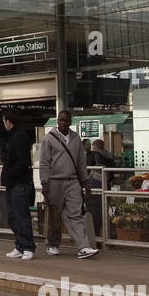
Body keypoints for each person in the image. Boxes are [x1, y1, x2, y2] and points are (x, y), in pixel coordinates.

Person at [39, 110, 96, 259]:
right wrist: (45, 184)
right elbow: (45, 163)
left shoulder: (76, 138)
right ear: (57, 121)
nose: (63, 123)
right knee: (54, 215)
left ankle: (83, 246)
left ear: (70, 121)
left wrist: (86, 183)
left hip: (72, 181)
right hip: (54, 181)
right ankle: (52, 243)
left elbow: (81, 163)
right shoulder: (49, 139)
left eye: (66, 120)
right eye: (61, 120)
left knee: (75, 214)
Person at [1, 113, 35, 260]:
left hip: (19, 183)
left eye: (3, 121)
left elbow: (23, 161)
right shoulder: (12, 137)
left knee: (21, 216)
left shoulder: (19, 137)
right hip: (12, 183)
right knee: (12, 216)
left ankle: (28, 246)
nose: (3, 124)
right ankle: (20, 245)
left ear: (8, 122)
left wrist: (10, 174)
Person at [84, 139, 115, 250]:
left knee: (94, 215)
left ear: (94, 146)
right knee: (105, 213)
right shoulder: (109, 156)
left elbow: (85, 169)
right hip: (106, 187)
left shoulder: (93, 155)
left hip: (94, 188)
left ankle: (96, 240)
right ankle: (109, 239)